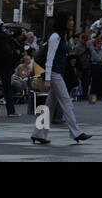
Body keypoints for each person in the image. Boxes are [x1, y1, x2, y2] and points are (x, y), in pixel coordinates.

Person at [32, 12, 91, 145]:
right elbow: (49, 58)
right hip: (54, 73)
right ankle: (76, 132)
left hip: (57, 73)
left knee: (50, 105)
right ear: (63, 21)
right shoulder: (55, 37)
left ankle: (38, 133)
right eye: (69, 19)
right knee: (66, 101)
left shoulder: (62, 36)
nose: (72, 22)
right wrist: (47, 78)